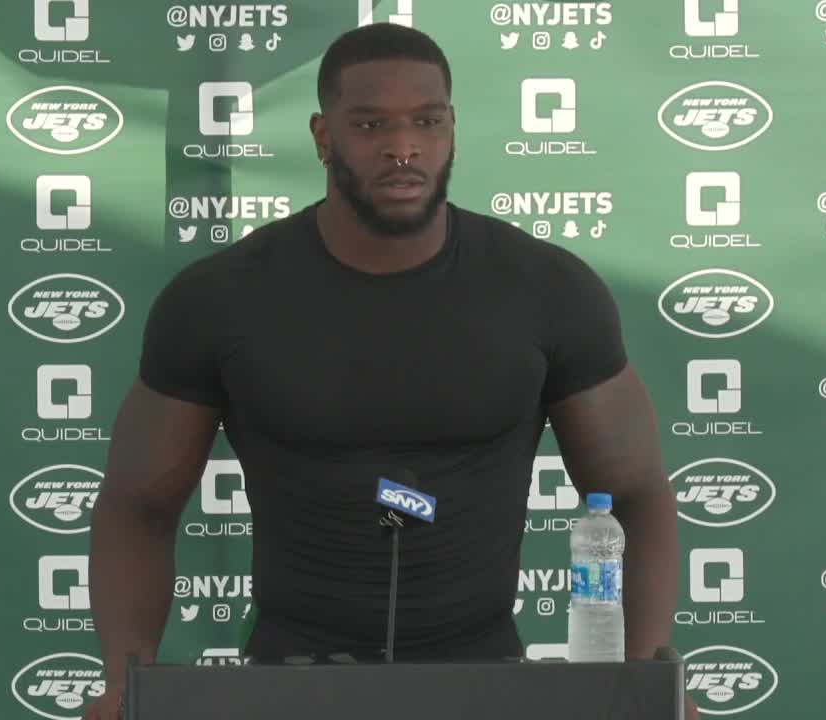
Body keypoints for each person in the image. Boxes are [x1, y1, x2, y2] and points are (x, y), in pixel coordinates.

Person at [82, 22, 696, 720]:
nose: (403, 148)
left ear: (452, 130)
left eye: (426, 122)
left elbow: (636, 492)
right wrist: (121, 680)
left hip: (488, 681)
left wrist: (648, 679)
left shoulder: (547, 290)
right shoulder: (223, 299)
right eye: (370, 124)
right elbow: (138, 502)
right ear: (323, 136)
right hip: (288, 683)